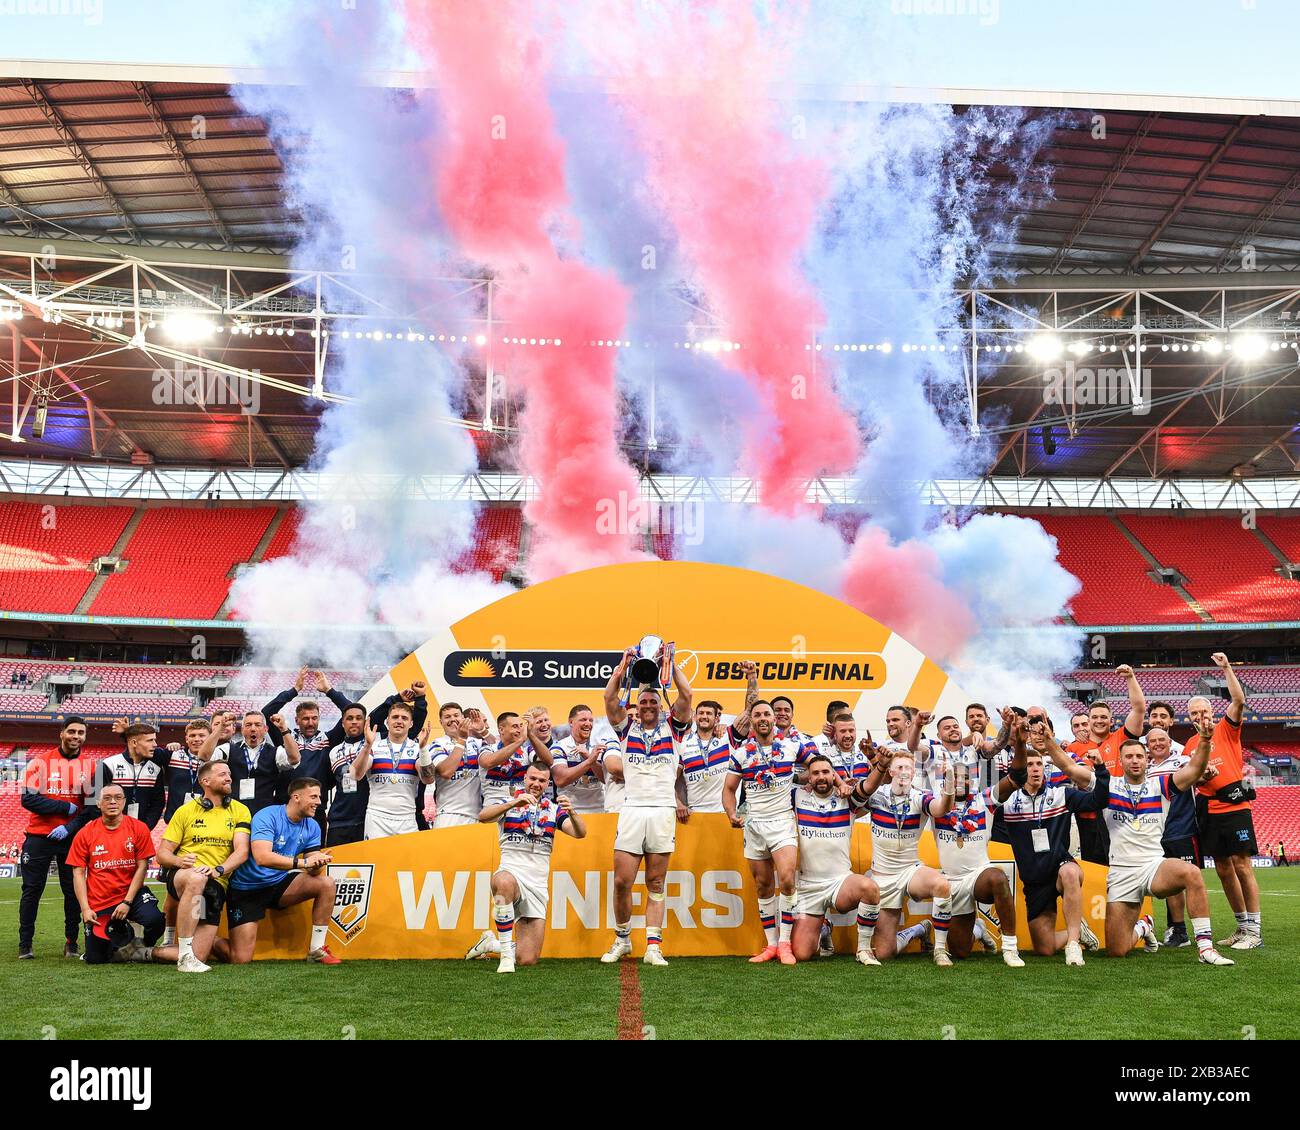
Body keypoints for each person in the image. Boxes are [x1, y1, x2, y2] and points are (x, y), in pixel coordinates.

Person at [1102, 727, 1234, 965]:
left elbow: (1194, 769)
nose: (1134, 760)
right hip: (1121, 872)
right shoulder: (1108, 786)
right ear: (1120, 761)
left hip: (1153, 866)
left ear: (1147, 759)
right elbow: (1072, 770)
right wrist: (1049, 743)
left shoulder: (1160, 785)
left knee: (1191, 873)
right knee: (1116, 950)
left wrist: (1204, 740)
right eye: (1129, 756)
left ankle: (1205, 948)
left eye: (1139, 756)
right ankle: (1145, 926)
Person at [599, 646, 693, 966]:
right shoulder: (627, 729)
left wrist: (671, 664)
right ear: (637, 707)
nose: (649, 705)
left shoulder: (674, 729)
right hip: (633, 809)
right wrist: (624, 665)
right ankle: (623, 939)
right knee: (622, 881)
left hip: (663, 810)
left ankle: (653, 944)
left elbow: (686, 694)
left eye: (653, 701)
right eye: (644, 702)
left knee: (655, 882)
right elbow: (609, 698)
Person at [1000, 717, 1106, 966]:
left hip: (1060, 867)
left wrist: (1100, 771)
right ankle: (1078, 935)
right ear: (1021, 770)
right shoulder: (1007, 804)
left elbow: (1098, 801)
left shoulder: (1061, 795)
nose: (1035, 768)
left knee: (1070, 873)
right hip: (1035, 882)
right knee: (1044, 948)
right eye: (1030, 764)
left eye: (1039, 764)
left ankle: (1072, 946)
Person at [724, 692, 819, 965]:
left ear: (774, 720)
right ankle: (771, 945)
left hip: (782, 821)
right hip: (754, 824)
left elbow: (817, 763)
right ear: (751, 721)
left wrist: (820, 779)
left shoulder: (791, 747)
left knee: (787, 879)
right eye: (758, 715)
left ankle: (787, 943)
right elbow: (729, 790)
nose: (763, 718)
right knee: (763, 885)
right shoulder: (741, 753)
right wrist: (731, 813)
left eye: (767, 714)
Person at [479, 763, 586, 973]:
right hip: (511, 874)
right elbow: (483, 816)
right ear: (525, 779)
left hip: (537, 886)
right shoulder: (509, 802)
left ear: (548, 784)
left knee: (528, 958)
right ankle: (506, 959)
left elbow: (579, 833)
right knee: (502, 881)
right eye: (532, 779)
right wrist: (512, 803)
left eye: (542, 780)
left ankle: (490, 944)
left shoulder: (553, 810)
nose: (536, 784)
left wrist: (572, 812)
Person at [856, 748, 956, 966]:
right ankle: (919, 930)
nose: (904, 772)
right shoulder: (877, 794)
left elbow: (941, 808)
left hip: (910, 871)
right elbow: (853, 806)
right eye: (899, 767)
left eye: (908, 768)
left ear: (913, 773)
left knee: (941, 884)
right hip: (882, 877)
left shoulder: (920, 798)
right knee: (884, 952)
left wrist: (949, 783)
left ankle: (940, 950)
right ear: (890, 771)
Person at [226, 777, 340, 965]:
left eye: (319, 797)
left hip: (279, 885)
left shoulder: (312, 825)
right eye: (314, 796)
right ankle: (209, 942)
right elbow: (262, 858)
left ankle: (316, 950)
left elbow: (312, 871)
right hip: (246, 889)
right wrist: (304, 863)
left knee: (326, 883)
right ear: (296, 797)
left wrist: (317, 864)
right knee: (240, 959)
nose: (319, 802)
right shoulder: (267, 816)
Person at [152, 760, 251, 972]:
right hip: (184, 877)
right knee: (197, 878)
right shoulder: (185, 811)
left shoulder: (240, 811)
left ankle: (140, 952)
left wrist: (219, 870)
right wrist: (179, 861)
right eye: (222, 774)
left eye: (229, 773)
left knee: (201, 955)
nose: (229, 778)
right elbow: (162, 855)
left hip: (214, 887)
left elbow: (242, 852)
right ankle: (186, 956)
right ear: (205, 781)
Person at [1191, 653, 1261, 950]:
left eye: (1203, 711)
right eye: (1194, 714)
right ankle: (1241, 926)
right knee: (1222, 868)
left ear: (1211, 710)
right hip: (1209, 811)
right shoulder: (1192, 746)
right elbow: (1191, 780)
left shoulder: (1225, 728)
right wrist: (1202, 776)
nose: (1200, 717)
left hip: (1235, 807)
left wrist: (1227, 668)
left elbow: (1239, 700)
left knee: (1242, 865)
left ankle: (1255, 933)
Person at [929, 761, 1025, 967]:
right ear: (945, 781)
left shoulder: (984, 800)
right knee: (960, 951)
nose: (960, 781)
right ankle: (978, 929)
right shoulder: (935, 805)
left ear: (971, 781)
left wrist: (1017, 739)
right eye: (954, 777)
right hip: (951, 882)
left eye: (965, 776)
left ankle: (1010, 948)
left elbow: (1016, 778)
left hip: (978, 875)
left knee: (997, 878)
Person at [788, 754, 882, 964]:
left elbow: (868, 786)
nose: (821, 777)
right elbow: (778, 781)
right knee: (802, 954)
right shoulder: (797, 797)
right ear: (809, 778)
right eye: (815, 773)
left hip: (839, 882)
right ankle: (824, 927)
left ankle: (864, 949)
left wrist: (881, 766)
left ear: (833, 775)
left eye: (825, 772)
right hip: (808, 888)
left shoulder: (846, 799)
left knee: (870, 888)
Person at [18, 716, 94, 959]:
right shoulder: (38, 763)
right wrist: (65, 807)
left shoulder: (93, 767)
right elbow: (28, 799)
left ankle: (71, 943)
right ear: (62, 733)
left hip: (71, 838)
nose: (76, 736)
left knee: (72, 892)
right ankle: (25, 944)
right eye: (71, 731)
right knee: (31, 890)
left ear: (85, 736)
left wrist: (69, 828)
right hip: (38, 836)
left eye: (80, 733)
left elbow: (92, 809)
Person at [67, 782, 163, 965]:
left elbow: (142, 867)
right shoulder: (85, 833)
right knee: (96, 959)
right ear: (98, 803)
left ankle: (140, 945)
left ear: (124, 802)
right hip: (100, 899)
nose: (113, 802)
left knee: (155, 919)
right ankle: (118, 944)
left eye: (118, 798)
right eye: (107, 798)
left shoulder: (139, 828)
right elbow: (78, 873)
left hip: (132, 895)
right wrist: (86, 909)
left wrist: (127, 902)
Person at [1067, 664, 1145, 865]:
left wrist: (1130, 678)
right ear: (1089, 721)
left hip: (1122, 814)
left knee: (1125, 866)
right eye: (1095, 717)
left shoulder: (1121, 738)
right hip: (1089, 818)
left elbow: (1139, 708)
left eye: (1104, 717)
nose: (1099, 721)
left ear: (1111, 720)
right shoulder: (1075, 748)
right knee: (1095, 870)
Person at [1146, 727, 1200, 947]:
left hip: (1182, 830)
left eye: (1162, 740)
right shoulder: (1146, 768)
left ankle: (1201, 931)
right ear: (1148, 746)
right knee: (1169, 885)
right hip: (1156, 834)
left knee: (1189, 881)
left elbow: (1200, 771)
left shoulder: (1183, 761)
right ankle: (1179, 930)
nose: (1158, 744)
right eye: (1153, 742)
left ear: (1170, 742)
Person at [350, 702, 432, 839]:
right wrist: (367, 746)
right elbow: (355, 775)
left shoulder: (418, 748)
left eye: (404, 718)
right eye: (395, 717)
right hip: (377, 818)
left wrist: (423, 749)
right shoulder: (374, 747)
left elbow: (428, 779)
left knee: (407, 861)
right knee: (378, 860)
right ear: (387, 721)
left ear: (411, 723)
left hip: (407, 819)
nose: (399, 721)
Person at [201, 710, 301, 815]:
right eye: (248, 725)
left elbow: (295, 758)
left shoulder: (276, 752)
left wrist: (284, 729)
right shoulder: (228, 749)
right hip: (233, 812)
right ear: (242, 729)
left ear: (266, 729)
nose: (253, 729)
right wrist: (221, 727)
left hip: (264, 813)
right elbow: (204, 756)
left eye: (258, 725)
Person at [85, 723, 167, 833]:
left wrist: (145, 828)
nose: (155, 744)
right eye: (149, 740)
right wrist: (109, 828)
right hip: (110, 833)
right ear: (134, 743)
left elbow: (158, 803)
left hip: (140, 833)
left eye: (155, 740)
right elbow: (93, 801)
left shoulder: (155, 769)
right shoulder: (108, 765)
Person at [429, 702, 486, 827]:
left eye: (456, 715)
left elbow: (497, 751)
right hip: (448, 814)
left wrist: (482, 731)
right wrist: (462, 740)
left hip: (477, 815)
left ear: (463, 718)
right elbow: (446, 772)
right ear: (441, 722)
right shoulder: (437, 744)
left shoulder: (477, 742)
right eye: (447, 717)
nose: (452, 719)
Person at [675, 699, 732, 818]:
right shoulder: (683, 744)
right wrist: (678, 803)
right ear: (695, 717)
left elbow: (747, 717)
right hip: (693, 814)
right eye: (701, 713)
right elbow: (670, 779)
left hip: (724, 813)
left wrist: (752, 679)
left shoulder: (726, 739)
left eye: (709, 713)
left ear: (717, 719)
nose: (704, 716)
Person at [550, 704, 606, 816]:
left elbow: (607, 779)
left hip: (599, 810)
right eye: (583, 720)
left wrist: (590, 759)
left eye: (591, 720)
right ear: (571, 722)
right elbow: (561, 780)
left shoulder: (600, 745)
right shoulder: (559, 747)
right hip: (570, 811)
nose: (588, 723)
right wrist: (589, 761)